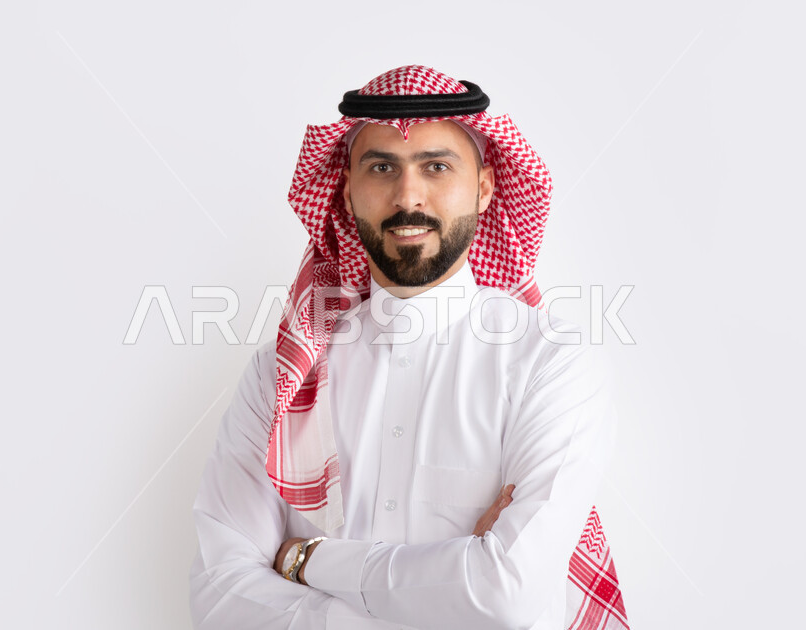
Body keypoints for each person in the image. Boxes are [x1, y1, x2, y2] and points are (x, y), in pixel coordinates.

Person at [189, 65, 629, 630]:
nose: (407, 196)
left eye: (436, 166)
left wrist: (306, 560)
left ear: (485, 187)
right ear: (347, 192)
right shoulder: (282, 376)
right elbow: (218, 597)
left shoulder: (550, 363)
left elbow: (505, 595)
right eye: (381, 167)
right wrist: (452, 578)